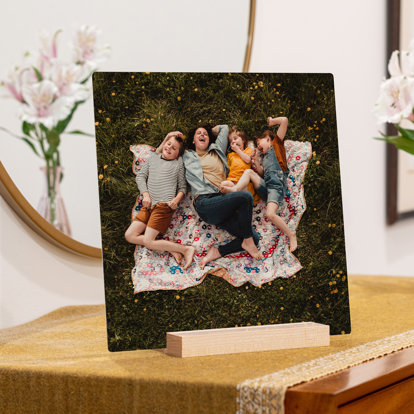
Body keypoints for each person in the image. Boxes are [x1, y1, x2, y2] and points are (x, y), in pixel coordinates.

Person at [183, 124, 263, 269]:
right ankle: (247, 241)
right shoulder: (188, 155)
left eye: (205, 134)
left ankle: (218, 251)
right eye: (198, 133)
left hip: (222, 204)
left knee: (254, 238)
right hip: (204, 202)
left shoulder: (216, 149)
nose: (202, 135)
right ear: (193, 140)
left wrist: (210, 131)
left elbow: (224, 128)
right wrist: (171, 137)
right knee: (245, 196)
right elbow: (165, 152)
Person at [220, 117, 297, 252]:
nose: (257, 146)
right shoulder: (264, 156)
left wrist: (273, 122)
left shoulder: (276, 146)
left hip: (276, 188)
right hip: (266, 187)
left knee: (270, 214)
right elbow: (262, 174)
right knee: (250, 172)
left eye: (258, 142)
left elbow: (285, 120)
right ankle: (236, 189)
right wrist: (256, 161)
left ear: (268, 138)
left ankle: (291, 235)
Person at [125, 131, 195, 269]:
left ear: (178, 154)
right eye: (168, 144)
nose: (169, 148)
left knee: (148, 241)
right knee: (129, 236)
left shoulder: (178, 163)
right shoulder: (153, 158)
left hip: (163, 206)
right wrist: (145, 194)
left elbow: (182, 187)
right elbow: (140, 177)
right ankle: (170, 248)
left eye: (174, 148)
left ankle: (186, 249)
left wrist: (176, 199)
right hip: (148, 204)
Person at [219, 126, 260, 204]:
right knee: (222, 185)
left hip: (244, 182)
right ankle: (234, 194)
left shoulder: (248, 150)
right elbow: (227, 168)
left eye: (235, 138)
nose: (233, 142)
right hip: (232, 180)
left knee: (243, 190)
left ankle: (235, 193)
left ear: (243, 140)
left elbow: (248, 160)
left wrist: (238, 150)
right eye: (231, 141)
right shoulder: (230, 155)